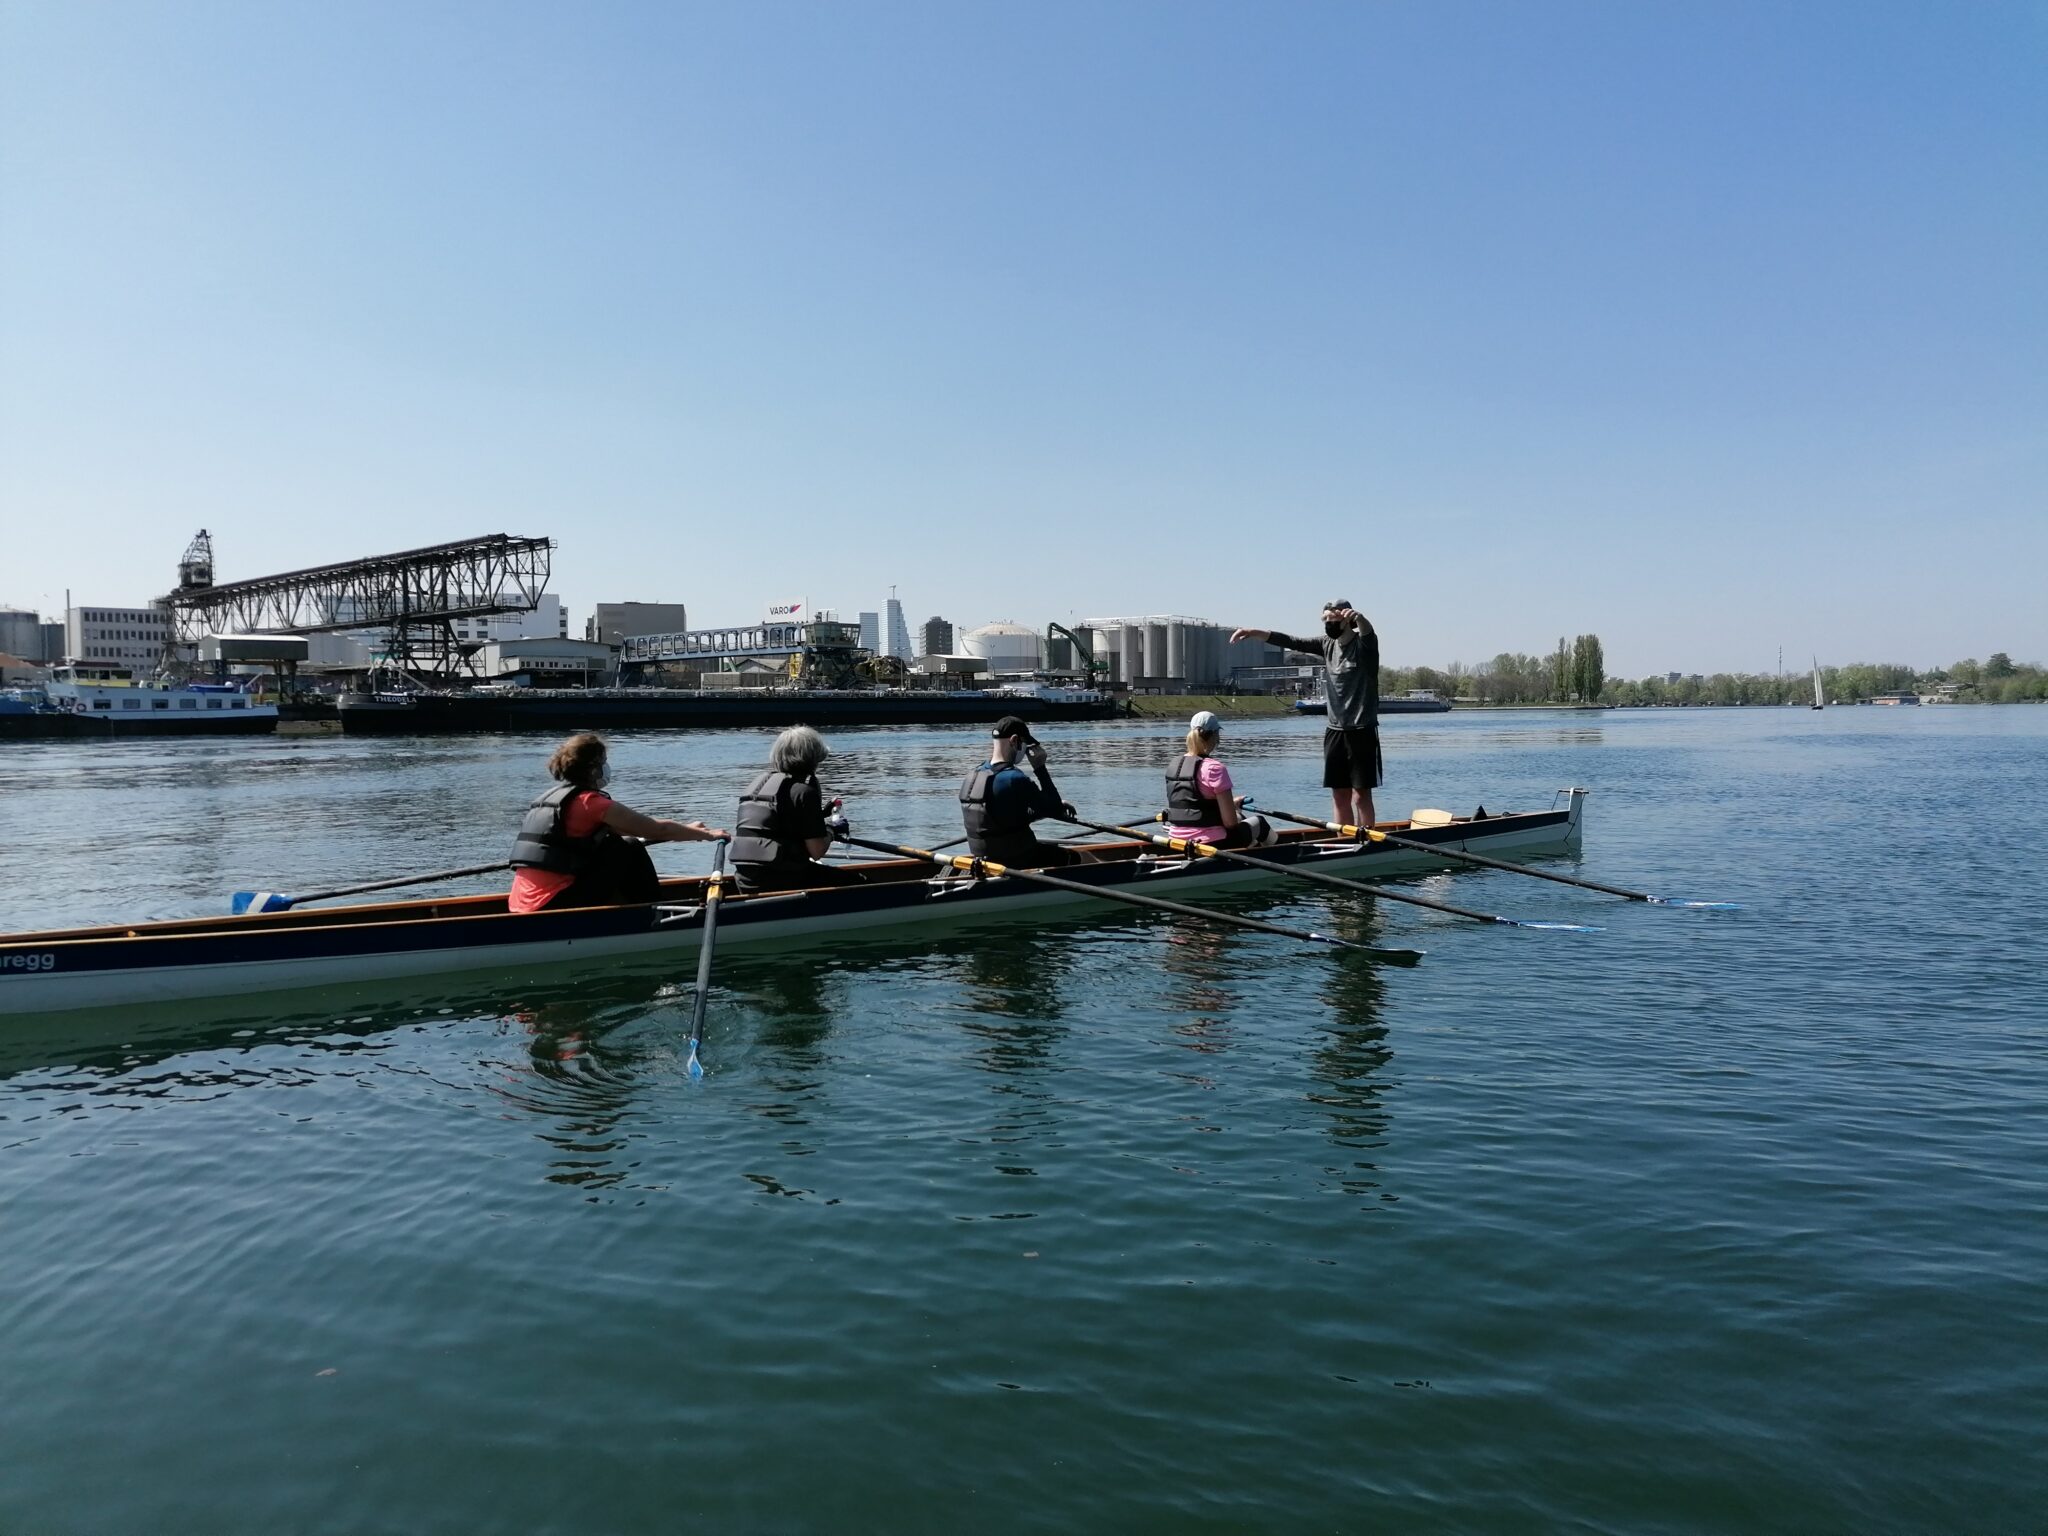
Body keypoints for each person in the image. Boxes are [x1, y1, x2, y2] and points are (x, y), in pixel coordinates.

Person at [509, 732, 727, 913]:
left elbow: (627, 827)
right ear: (593, 768)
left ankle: (627, 904)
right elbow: (656, 829)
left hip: (520, 904)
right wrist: (708, 835)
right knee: (629, 847)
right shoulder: (590, 803)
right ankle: (654, 911)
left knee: (616, 842)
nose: (607, 767)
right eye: (604, 762)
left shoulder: (550, 800)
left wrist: (688, 829)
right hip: (553, 905)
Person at [1231, 599, 1381, 830]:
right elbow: (1292, 641)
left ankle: (1367, 839)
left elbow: (1369, 633)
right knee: (1339, 795)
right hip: (1335, 731)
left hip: (1362, 730)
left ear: (1348, 620)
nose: (1328, 624)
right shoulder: (1325, 644)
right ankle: (1343, 841)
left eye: (1333, 620)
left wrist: (1360, 618)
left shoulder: (1364, 647)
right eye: (1326, 620)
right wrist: (1253, 632)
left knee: (1360, 796)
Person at [730, 725, 864, 892]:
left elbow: (778, 828)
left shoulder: (755, 786)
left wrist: (819, 816)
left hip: (745, 881)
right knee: (862, 884)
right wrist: (831, 830)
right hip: (782, 882)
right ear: (812, 760)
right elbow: (817, 852)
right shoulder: (803, 792)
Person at [959, 715, 1087, 868]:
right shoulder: (1014, 778)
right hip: (1018, 861)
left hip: (985, 860)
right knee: (1073, 858)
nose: (1026, 751)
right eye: (1026, 745)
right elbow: (1054, 809)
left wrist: (1042, 809)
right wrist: (1040, 768)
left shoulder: (972, 776)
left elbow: (1003, 819)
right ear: (1014, 740)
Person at [1165, 710, 1274, 848]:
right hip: (1212, 843)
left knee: (1241, 818)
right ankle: (1288, 860)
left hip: (1177, 841)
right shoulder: (1214, 768)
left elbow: (1192, 804)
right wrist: (1231, 809)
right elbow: (1230, 823)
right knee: (1260, 823)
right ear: (1216, 735)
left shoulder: (1174, 766)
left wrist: (1231, 804)